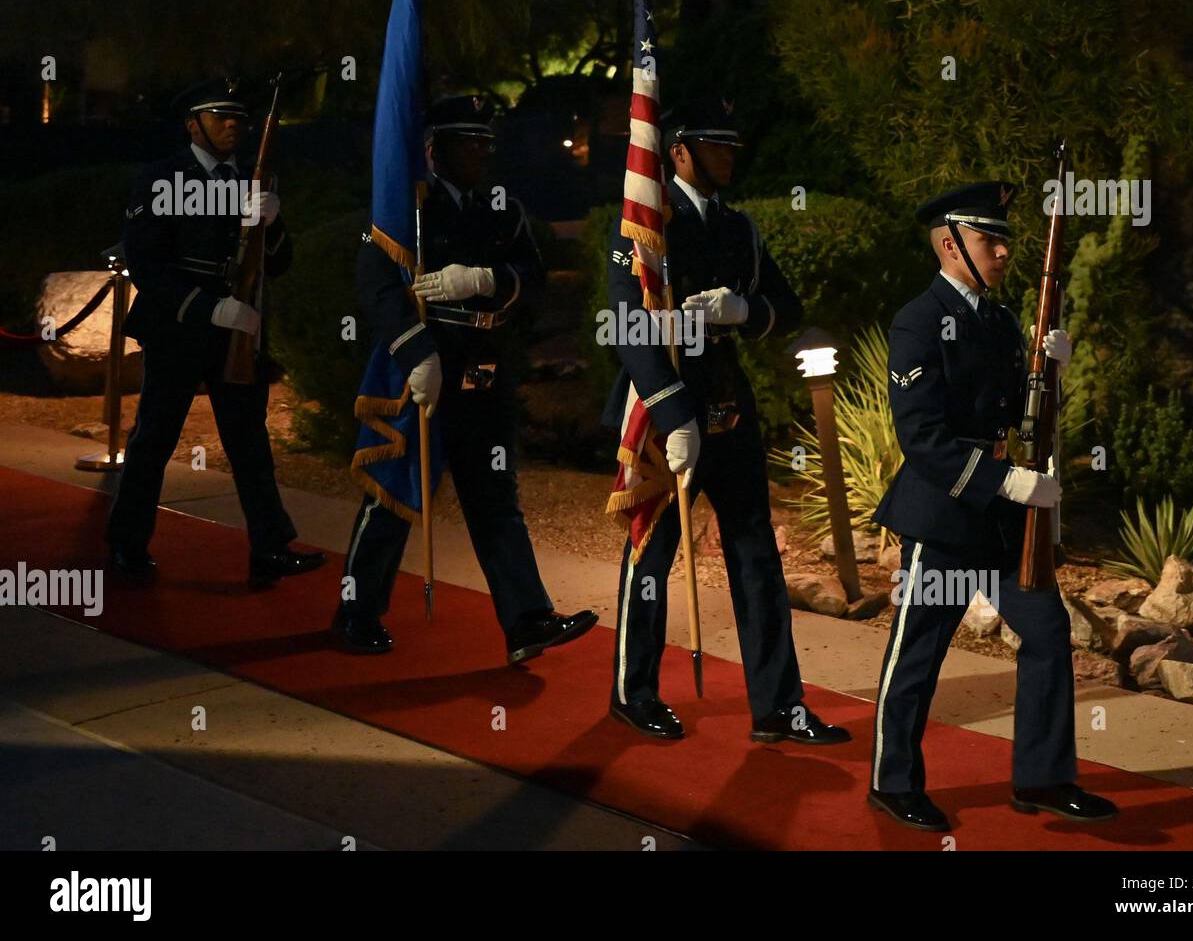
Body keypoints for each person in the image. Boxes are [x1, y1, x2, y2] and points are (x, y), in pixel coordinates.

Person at [867, 181, 1117, 831]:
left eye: (1004, 239)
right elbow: (921, 439)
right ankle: (893, 784)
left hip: (1005, 524)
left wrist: (1048, 370)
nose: (1004, 252)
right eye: (989, 239)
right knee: (918, 653)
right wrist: (1003, 483)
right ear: (951, 245)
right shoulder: (917, 320)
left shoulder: (1003, 321)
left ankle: (1042, 775)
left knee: (1047, 633)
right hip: (945, 516)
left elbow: (1023, 416)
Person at [603, 96, 850, 745]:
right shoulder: (647, 222)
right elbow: (629, 323)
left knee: (756, 556)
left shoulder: (739, 228)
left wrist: (744, 310)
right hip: (667, 409)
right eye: (716, 145)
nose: (729, 156)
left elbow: (786, 306)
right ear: (678, 151)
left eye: (733, 146)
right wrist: (670, 409)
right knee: (650, 555)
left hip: (728, 406)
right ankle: (634, 692)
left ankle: (778, 706)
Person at [336, 94, 597, 660]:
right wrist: (413, 351)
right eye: (467, 142)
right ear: (434, 148)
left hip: (483, 367)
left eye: (485, 141)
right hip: (425, 367)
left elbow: (534, 275)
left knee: (495, 498)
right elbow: (377, 288)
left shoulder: (501, 208)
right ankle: (357, 609)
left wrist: (487, 277)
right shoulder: (404, 210)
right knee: (394, 494)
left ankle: (527, 620)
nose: (481, 152)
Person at [106, 78, 324, 588]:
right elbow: (147, 263)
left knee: (250, 444)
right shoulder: (163, 179)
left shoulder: (251, 180)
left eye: (240, 120)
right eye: (221, 117)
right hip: (180, 330)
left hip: (237, 335)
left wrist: (273, 223)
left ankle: (270, 544)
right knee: (154, 441)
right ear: (192, 124)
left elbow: (277, 264)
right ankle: (127, 543)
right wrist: (210, 308)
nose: (233, 126)